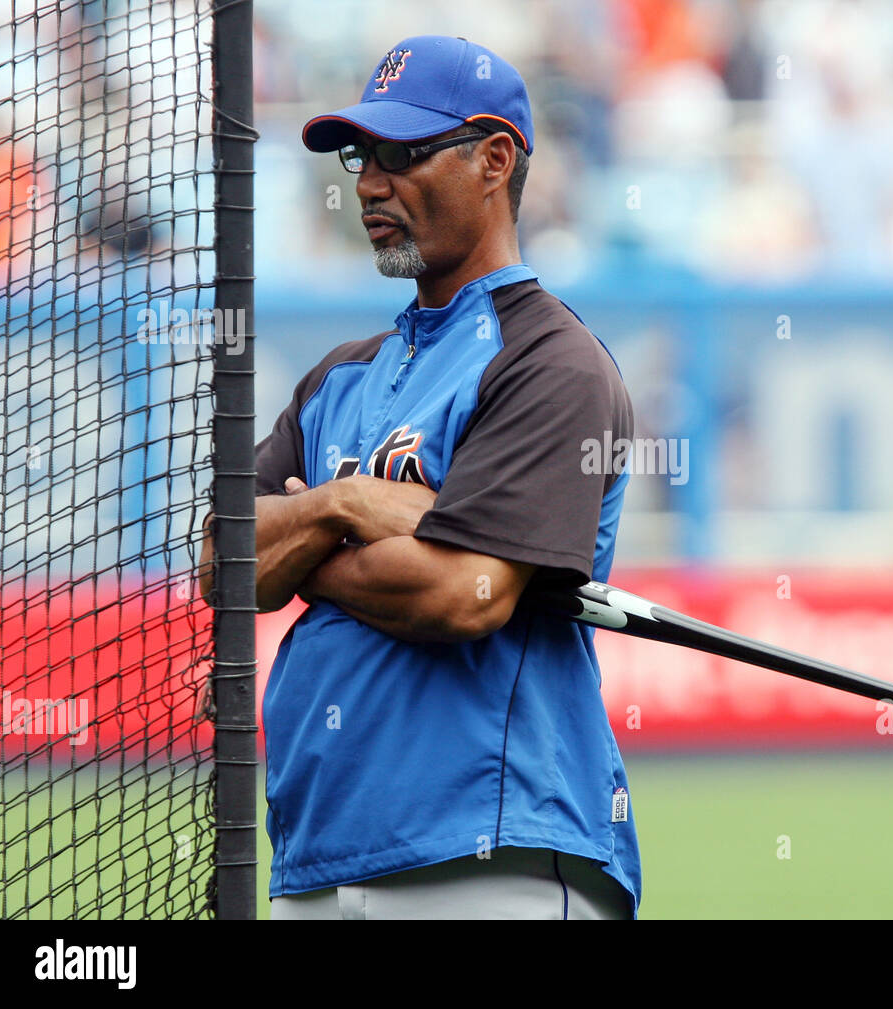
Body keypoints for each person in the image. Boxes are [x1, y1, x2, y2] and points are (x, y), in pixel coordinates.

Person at [201, 35, 639, 919]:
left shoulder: (552, 361)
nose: (367, 183)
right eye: (364, 157)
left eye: (404, 155)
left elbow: (459, 595)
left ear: (494, 159)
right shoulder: (339, 377)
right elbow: (221, 562)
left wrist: (302, 546)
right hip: (316, 862)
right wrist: (348, 503)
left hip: (491, 860)